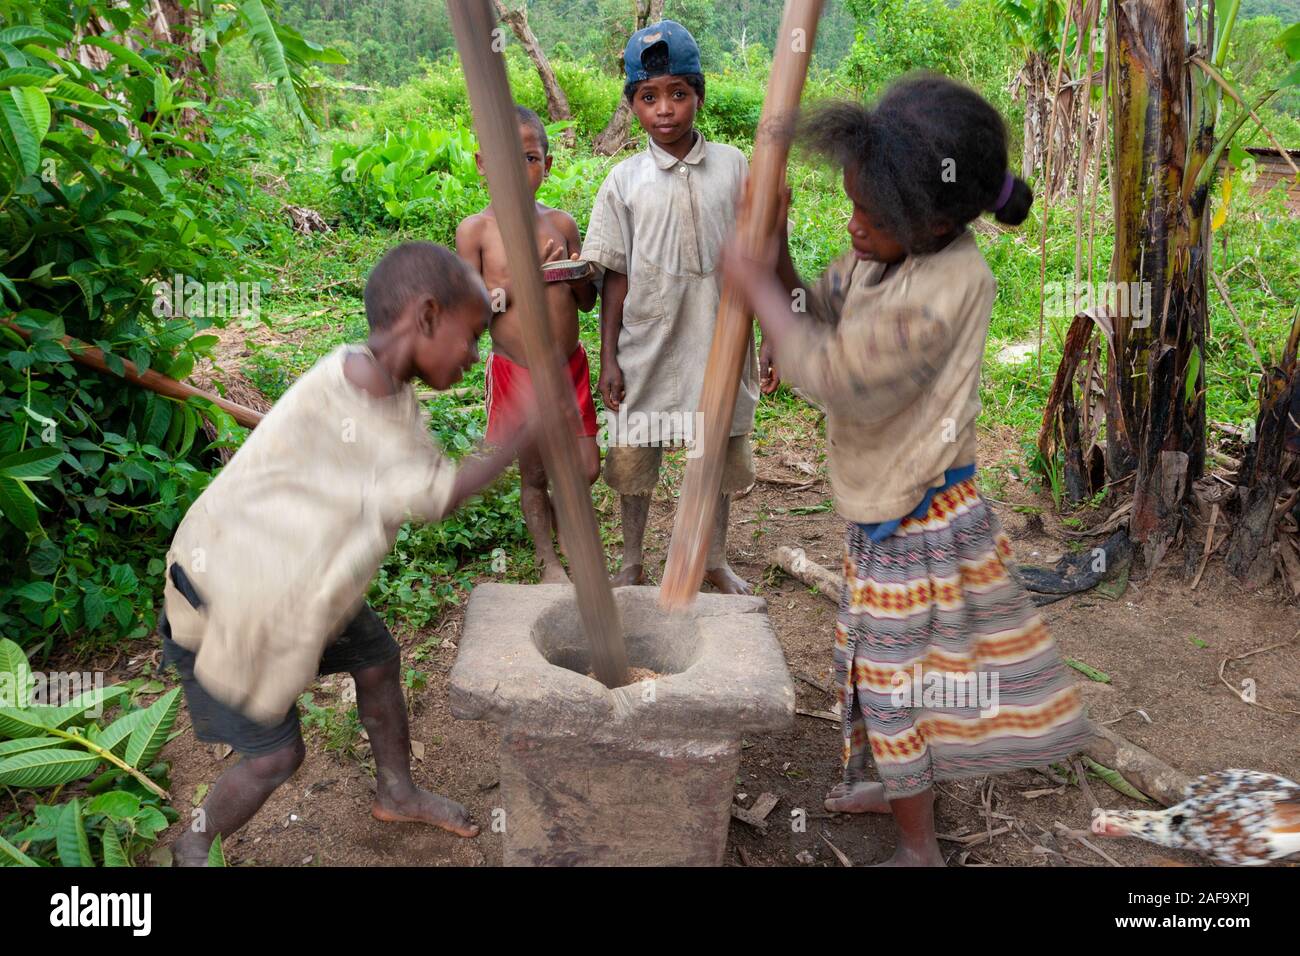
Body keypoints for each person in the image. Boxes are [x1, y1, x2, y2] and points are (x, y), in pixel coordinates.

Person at [723, 74, 1092, 866]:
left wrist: (752, 282)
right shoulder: (885, 254)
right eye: (852, 206)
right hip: (879, 511)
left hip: (919, 519)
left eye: (872, 215)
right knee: (868, 654)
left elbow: (837, 374)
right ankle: (891, 784)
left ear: (935, 220)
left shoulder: (947, 288)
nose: (854, 228)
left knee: (900, 688)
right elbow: (814, 312)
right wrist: (778, 259)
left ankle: (919, 846)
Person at [159, 242, 530, 865]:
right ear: (428, 316)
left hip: (302, 584)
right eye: (472, 337)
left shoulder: (379, 383)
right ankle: (194, 844)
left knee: (379, 661)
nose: (474, 356)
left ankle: (397, 790)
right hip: (231, 600)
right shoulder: (359, 392)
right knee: (276, 755)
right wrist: (522, 428)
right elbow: (437, 497)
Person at [583, 19, 776, 593]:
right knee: (634, 459)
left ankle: (714, 558)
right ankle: (633, 562)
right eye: (649, 97)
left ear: (698, 96)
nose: (664, 109)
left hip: (720, 337)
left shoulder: (734, 167)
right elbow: (614, 272)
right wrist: (609, 356)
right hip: (649, 343)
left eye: (677, 94)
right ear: (633, 105)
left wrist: (769, 338)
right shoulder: (624, 180)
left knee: (713, 452)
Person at [456, 106, 601, 583]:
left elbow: (584, 304)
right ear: (481, 163)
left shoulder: (561, 224)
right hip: (518, 371)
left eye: (530, 158)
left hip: (569, 367)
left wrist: (575, 272)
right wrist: (523, 280)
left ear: (548, 164)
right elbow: (474, 312)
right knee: (534, 472)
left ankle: (567, 524)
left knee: (585, 468)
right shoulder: (475, 232)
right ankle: (548, 560)